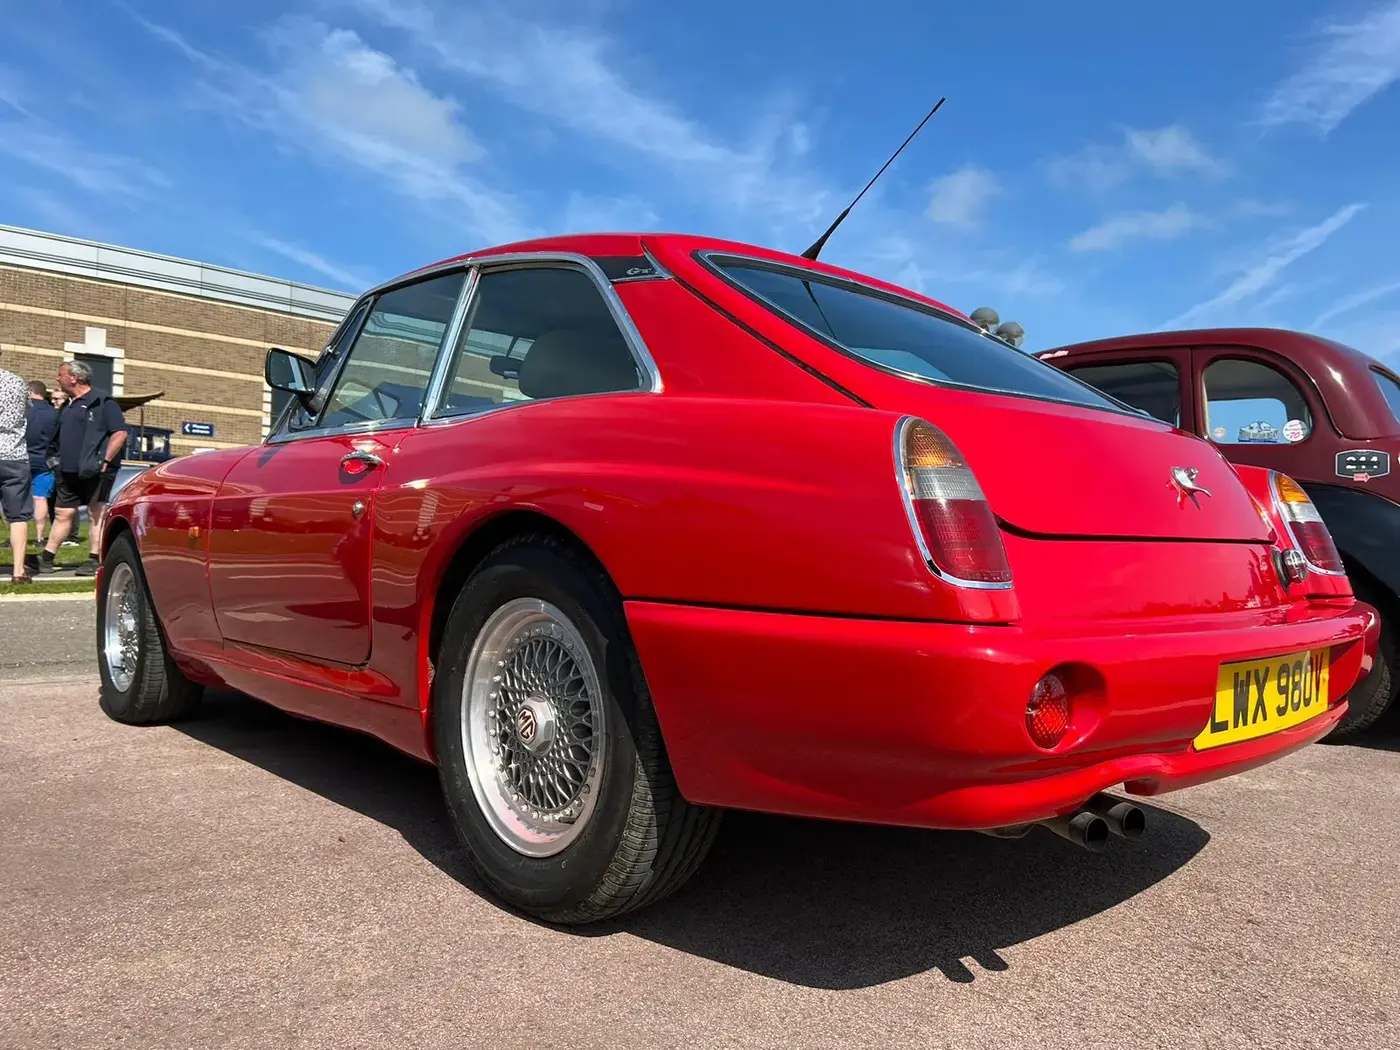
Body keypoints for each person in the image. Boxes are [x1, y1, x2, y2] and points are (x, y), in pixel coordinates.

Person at [35, 360, 128, 577]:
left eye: (61, 374)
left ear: (74, 378)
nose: (58, 378)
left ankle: (94, 559)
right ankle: (46, 558)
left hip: (97, 470)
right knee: (62, 512)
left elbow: (120, 433)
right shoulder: (69, 405)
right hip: (68, 471)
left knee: (97, 512)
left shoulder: (103, 402)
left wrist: (104, 461)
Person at [0, 350, 34, 584]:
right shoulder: (17, 382)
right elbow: (27, 413)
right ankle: (19, 571)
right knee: (18, 516)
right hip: (14, 455)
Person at [25, 380, 58, 549]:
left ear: (30, 391)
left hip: (21, 459)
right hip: (45, 461)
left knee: (15, 497)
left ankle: (15, 534)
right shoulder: (54, 413)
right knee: (40, 498)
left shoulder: (23, 411)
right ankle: (40, 537)